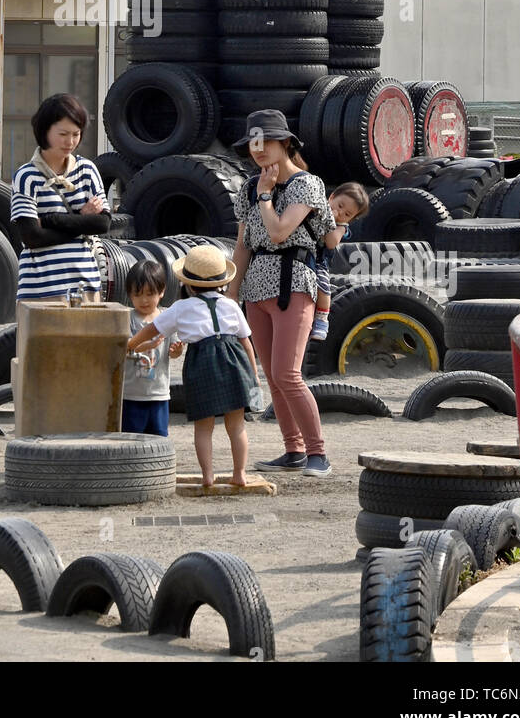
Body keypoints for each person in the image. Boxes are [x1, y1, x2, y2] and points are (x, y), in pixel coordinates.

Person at [228, 109, 336, 478]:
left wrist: (264, 196)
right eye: (253, 144)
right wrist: (229, 296)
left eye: (266, 142)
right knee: (272, 376)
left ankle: (318, 454)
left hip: (295, 281)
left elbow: (278, 233)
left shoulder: (307, 184)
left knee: (287, 373)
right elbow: (243, 245)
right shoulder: (248, 187)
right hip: (256, 285)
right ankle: (293, 450)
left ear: (286, 142)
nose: (259, 150)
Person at [128, 244, 259, 490]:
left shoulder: (181, 307)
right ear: (222, 282)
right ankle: (239, 473)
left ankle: (207, 475)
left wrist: (131, 344)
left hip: (202, 361)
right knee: (236, 424)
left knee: (204, 425)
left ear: (187, 284)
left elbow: (151, 329)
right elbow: (246, 341)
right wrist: (253, 375)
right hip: (234, 358)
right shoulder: (231, 304)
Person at [9, 93, 110, 302]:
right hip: (40, 288)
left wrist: (48, 220)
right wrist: (82, 221)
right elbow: (32, 237)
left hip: (86, 286)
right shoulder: (26, 176)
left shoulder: (87, 170)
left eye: (76, 134)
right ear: (44, 131)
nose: (70, 142)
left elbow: (102, 224)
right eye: (63, 134)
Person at [121, 260, 183, 436]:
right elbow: (123, 348)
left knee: (159, 439)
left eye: (150, 293)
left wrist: (176, 351)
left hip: (159, 393)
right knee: (130, 440)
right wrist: (146, 345)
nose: (144, 300)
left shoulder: (167, 317)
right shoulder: (127, 318)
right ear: (129, 294)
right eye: (138, 294)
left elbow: (174, 350)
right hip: (131, 394)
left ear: (162, 291)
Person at [310, 182, 369, 342]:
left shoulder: (341, 226)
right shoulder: (314, 208)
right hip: (300, 256)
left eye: (347, 214)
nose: (340, 212)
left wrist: (330, 219)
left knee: (323, 286)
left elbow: (331, 242)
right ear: (332, 197)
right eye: (340, 205)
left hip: (319, 261)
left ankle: (322, 318)